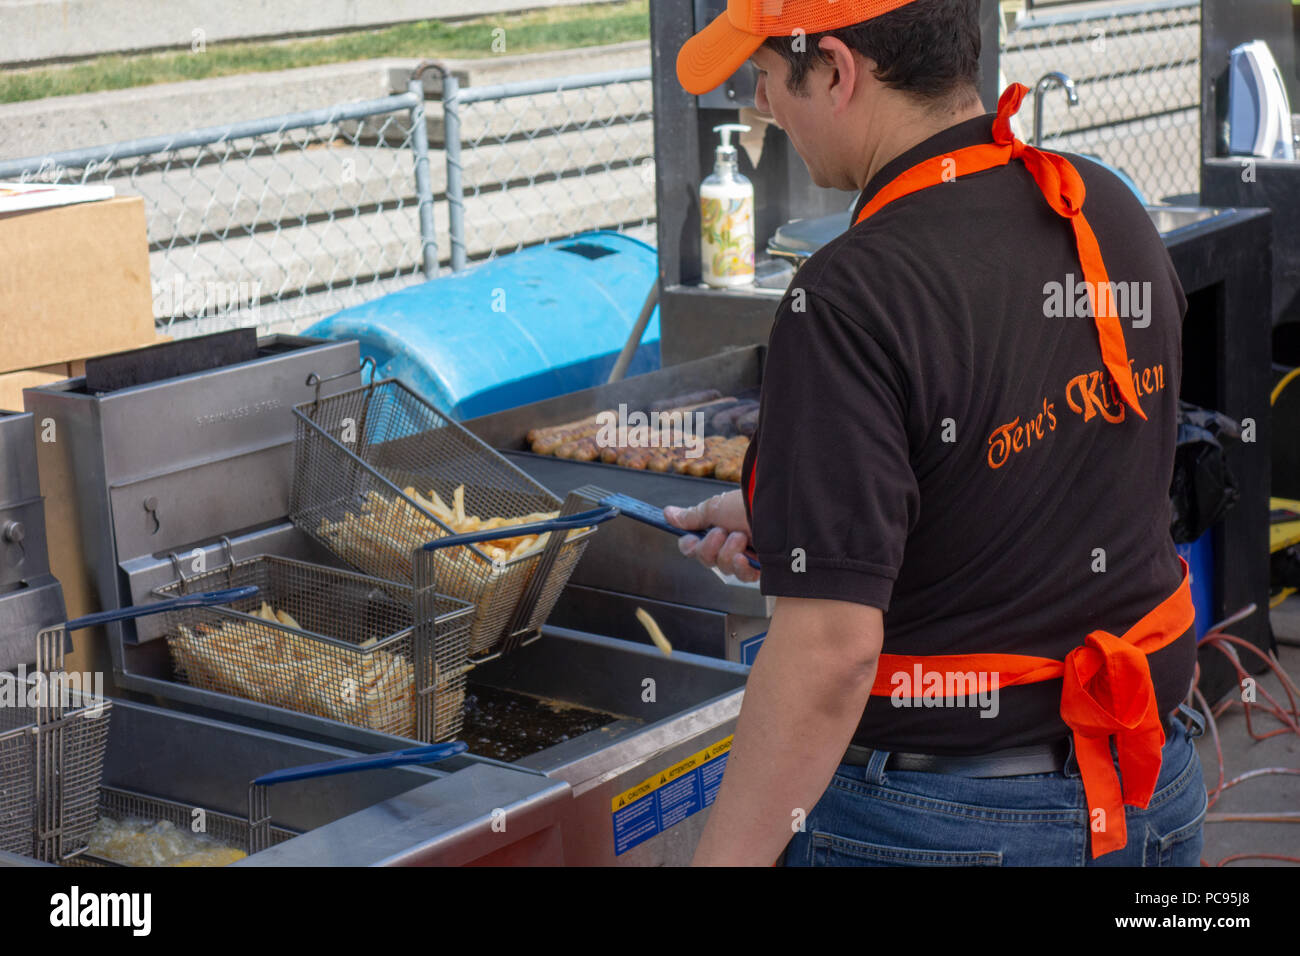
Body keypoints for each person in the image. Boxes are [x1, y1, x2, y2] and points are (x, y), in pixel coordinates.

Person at [668, 0, 1207, 866]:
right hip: (1155, 790)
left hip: (939, 827)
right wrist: (804, 525)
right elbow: (1063, 476)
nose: (763, 104)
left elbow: (830, 658)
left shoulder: (848, 294)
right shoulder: (1102, 205)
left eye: (766, 76)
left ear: (838, 71)